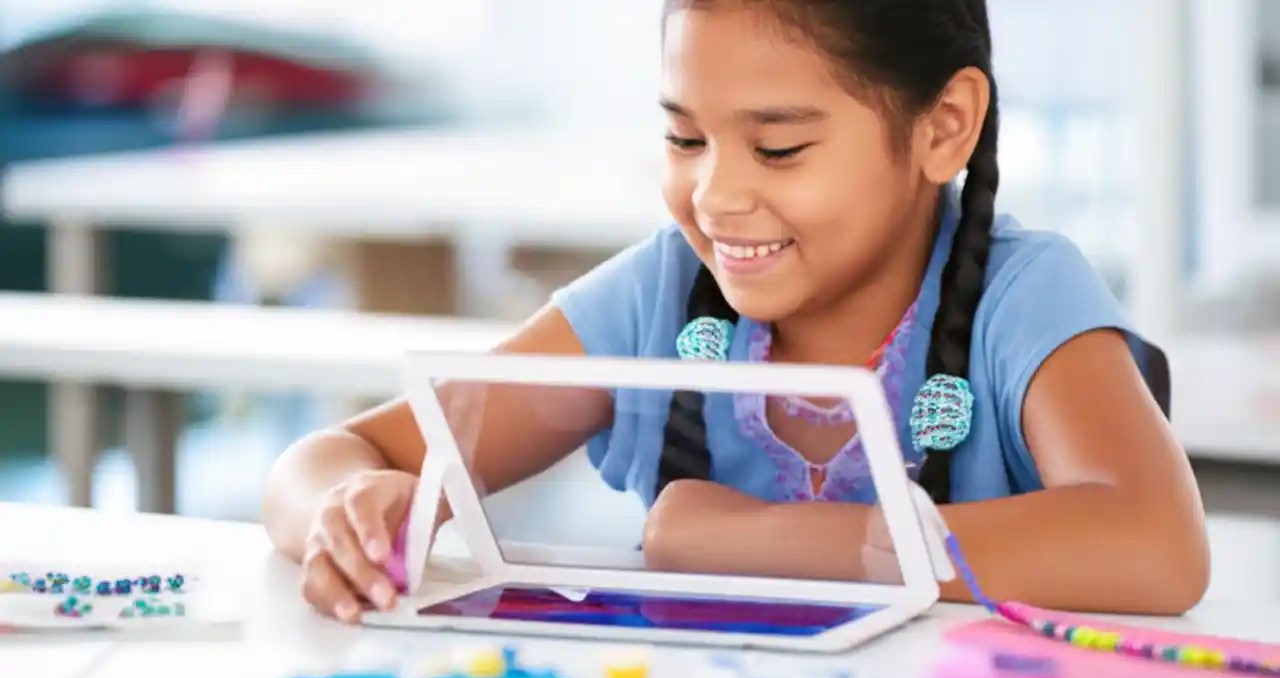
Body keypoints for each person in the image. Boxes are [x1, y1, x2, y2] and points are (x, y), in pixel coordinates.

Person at [262, 0, 1209, 624]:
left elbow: (1156, 544)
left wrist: (737, 541)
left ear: (944, 126)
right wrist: (348, 518)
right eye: (685, 138)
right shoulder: (658, 297)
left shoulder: (1024, 294)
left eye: (779, 148)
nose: (714, 196)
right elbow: (335, 457)